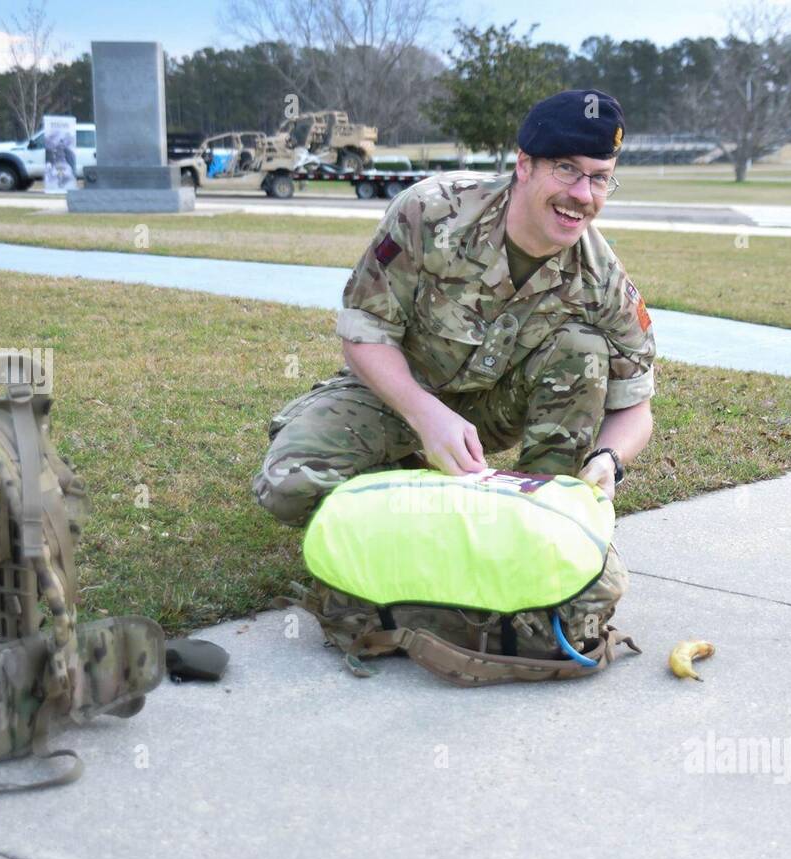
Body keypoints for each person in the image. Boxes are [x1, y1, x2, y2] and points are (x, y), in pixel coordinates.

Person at [252, 88, 656, 529]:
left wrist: (608, 460)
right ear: (524, 165)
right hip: (395, 395)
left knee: (583, 346)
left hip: (489, 415)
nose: (583, 194)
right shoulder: (432, 212)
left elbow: (635, 406)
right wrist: (424, 413)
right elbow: (364, 333)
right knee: (288, 485)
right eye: (566, 170)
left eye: (600, 178)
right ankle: (421, 487)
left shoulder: (603, 281)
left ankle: (539, 509)